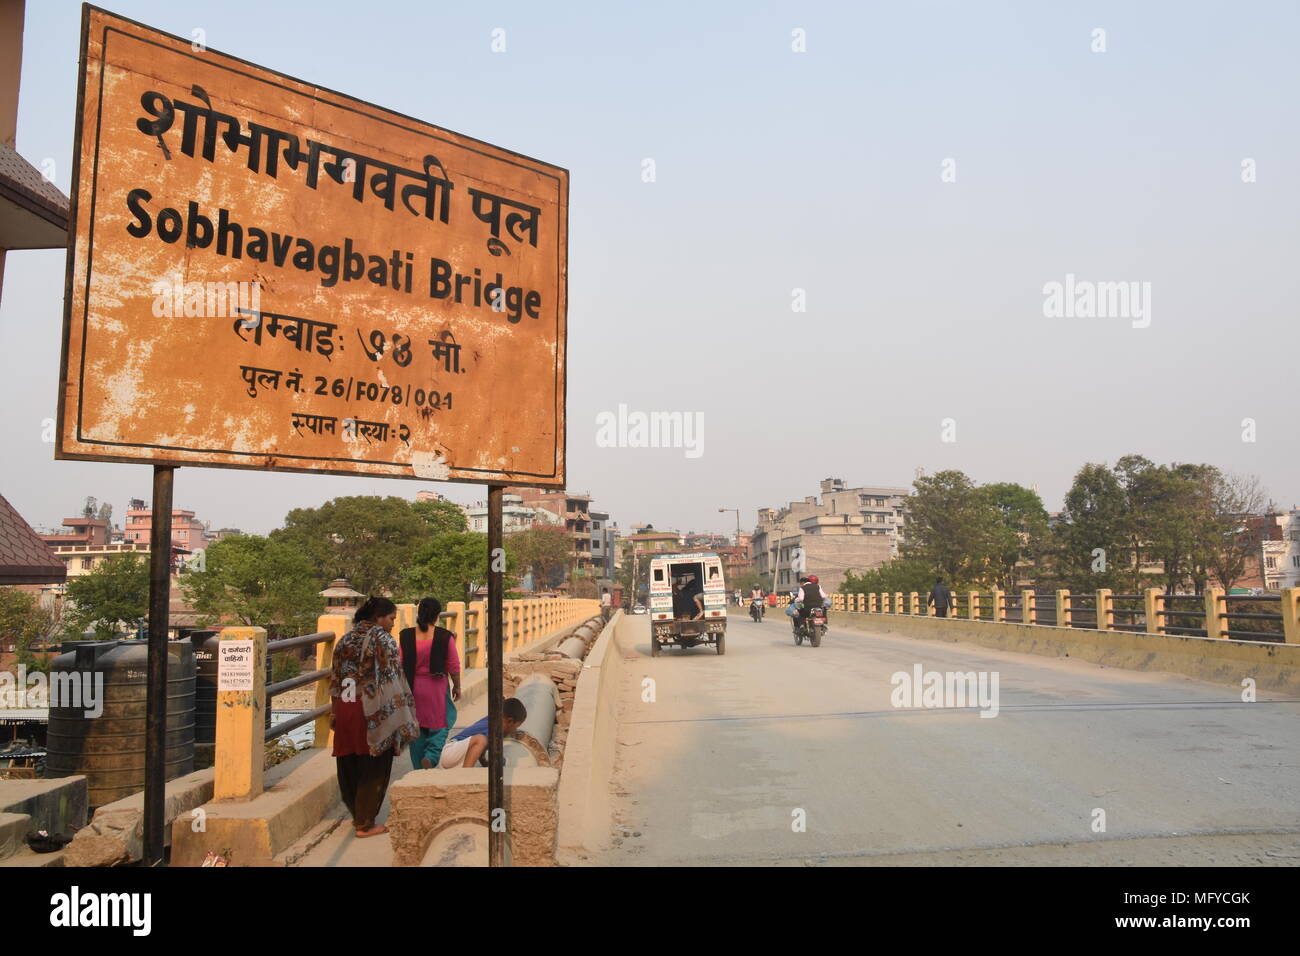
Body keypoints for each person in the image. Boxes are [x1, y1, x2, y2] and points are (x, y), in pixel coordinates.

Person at [329, 597, 419, 838]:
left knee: (349, 760)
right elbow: (392, 680)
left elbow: (335, 680)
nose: (392, 624)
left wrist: (335, 711)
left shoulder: (344, 639)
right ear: (379, 617)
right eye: (391, 619)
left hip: (346, 705)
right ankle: (365, 823)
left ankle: (357, 814)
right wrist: (399, 717)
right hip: (372, 709)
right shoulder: (384, 640)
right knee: (376, 763)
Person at [399, 597, 461, 770]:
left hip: (413, 688)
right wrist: (457, 685)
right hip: (436, 688)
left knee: (417, 728)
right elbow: (453, 665)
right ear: (437, 615)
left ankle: (419, 768)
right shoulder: (444, 636)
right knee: (442, 722)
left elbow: (399, 663)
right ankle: (432, 755)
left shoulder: (406, 635)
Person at [438, 697, 528, 769]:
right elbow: (494, 752)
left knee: (482, 740)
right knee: (481, 739)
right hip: (450, 752)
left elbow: (482, 749)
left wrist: (485, 763)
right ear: (510, 721)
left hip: (455, 757)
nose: (515, 730)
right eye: (516, 727)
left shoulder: (495, 723)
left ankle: (465, 771)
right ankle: (465, 775)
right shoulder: (495, 726)